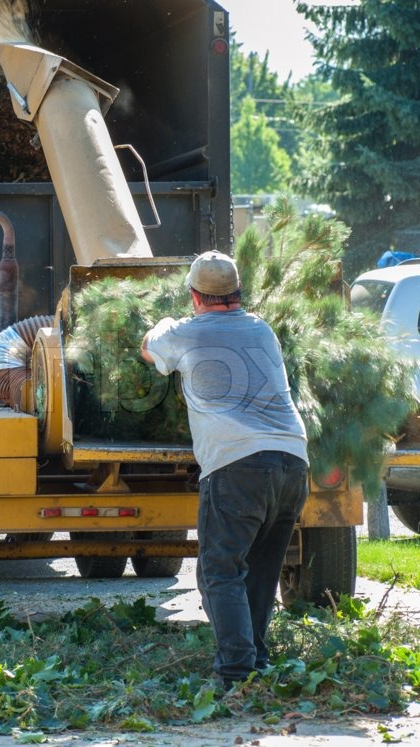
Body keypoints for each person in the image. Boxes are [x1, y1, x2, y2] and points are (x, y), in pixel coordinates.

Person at [140, 250, 309, 689]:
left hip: (237, 465)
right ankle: (256, 663)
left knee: (220, 571)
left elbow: (148, 349)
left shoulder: (184, 331)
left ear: (194, 296)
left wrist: (164, 324)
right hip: (293, 461)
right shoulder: (263, 329)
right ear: (238, 292)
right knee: (260, 570)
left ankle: (235, 673)